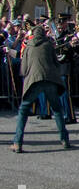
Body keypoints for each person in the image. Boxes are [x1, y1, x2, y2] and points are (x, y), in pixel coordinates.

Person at [11, 24, 72, 152]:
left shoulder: (28, 46)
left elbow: (24, 68)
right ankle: (64, 139)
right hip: (50, 79)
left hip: (34, 81)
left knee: (23, 110)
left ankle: (17, 142)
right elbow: (56, 63)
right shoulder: (49, 45)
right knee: (57, 110)